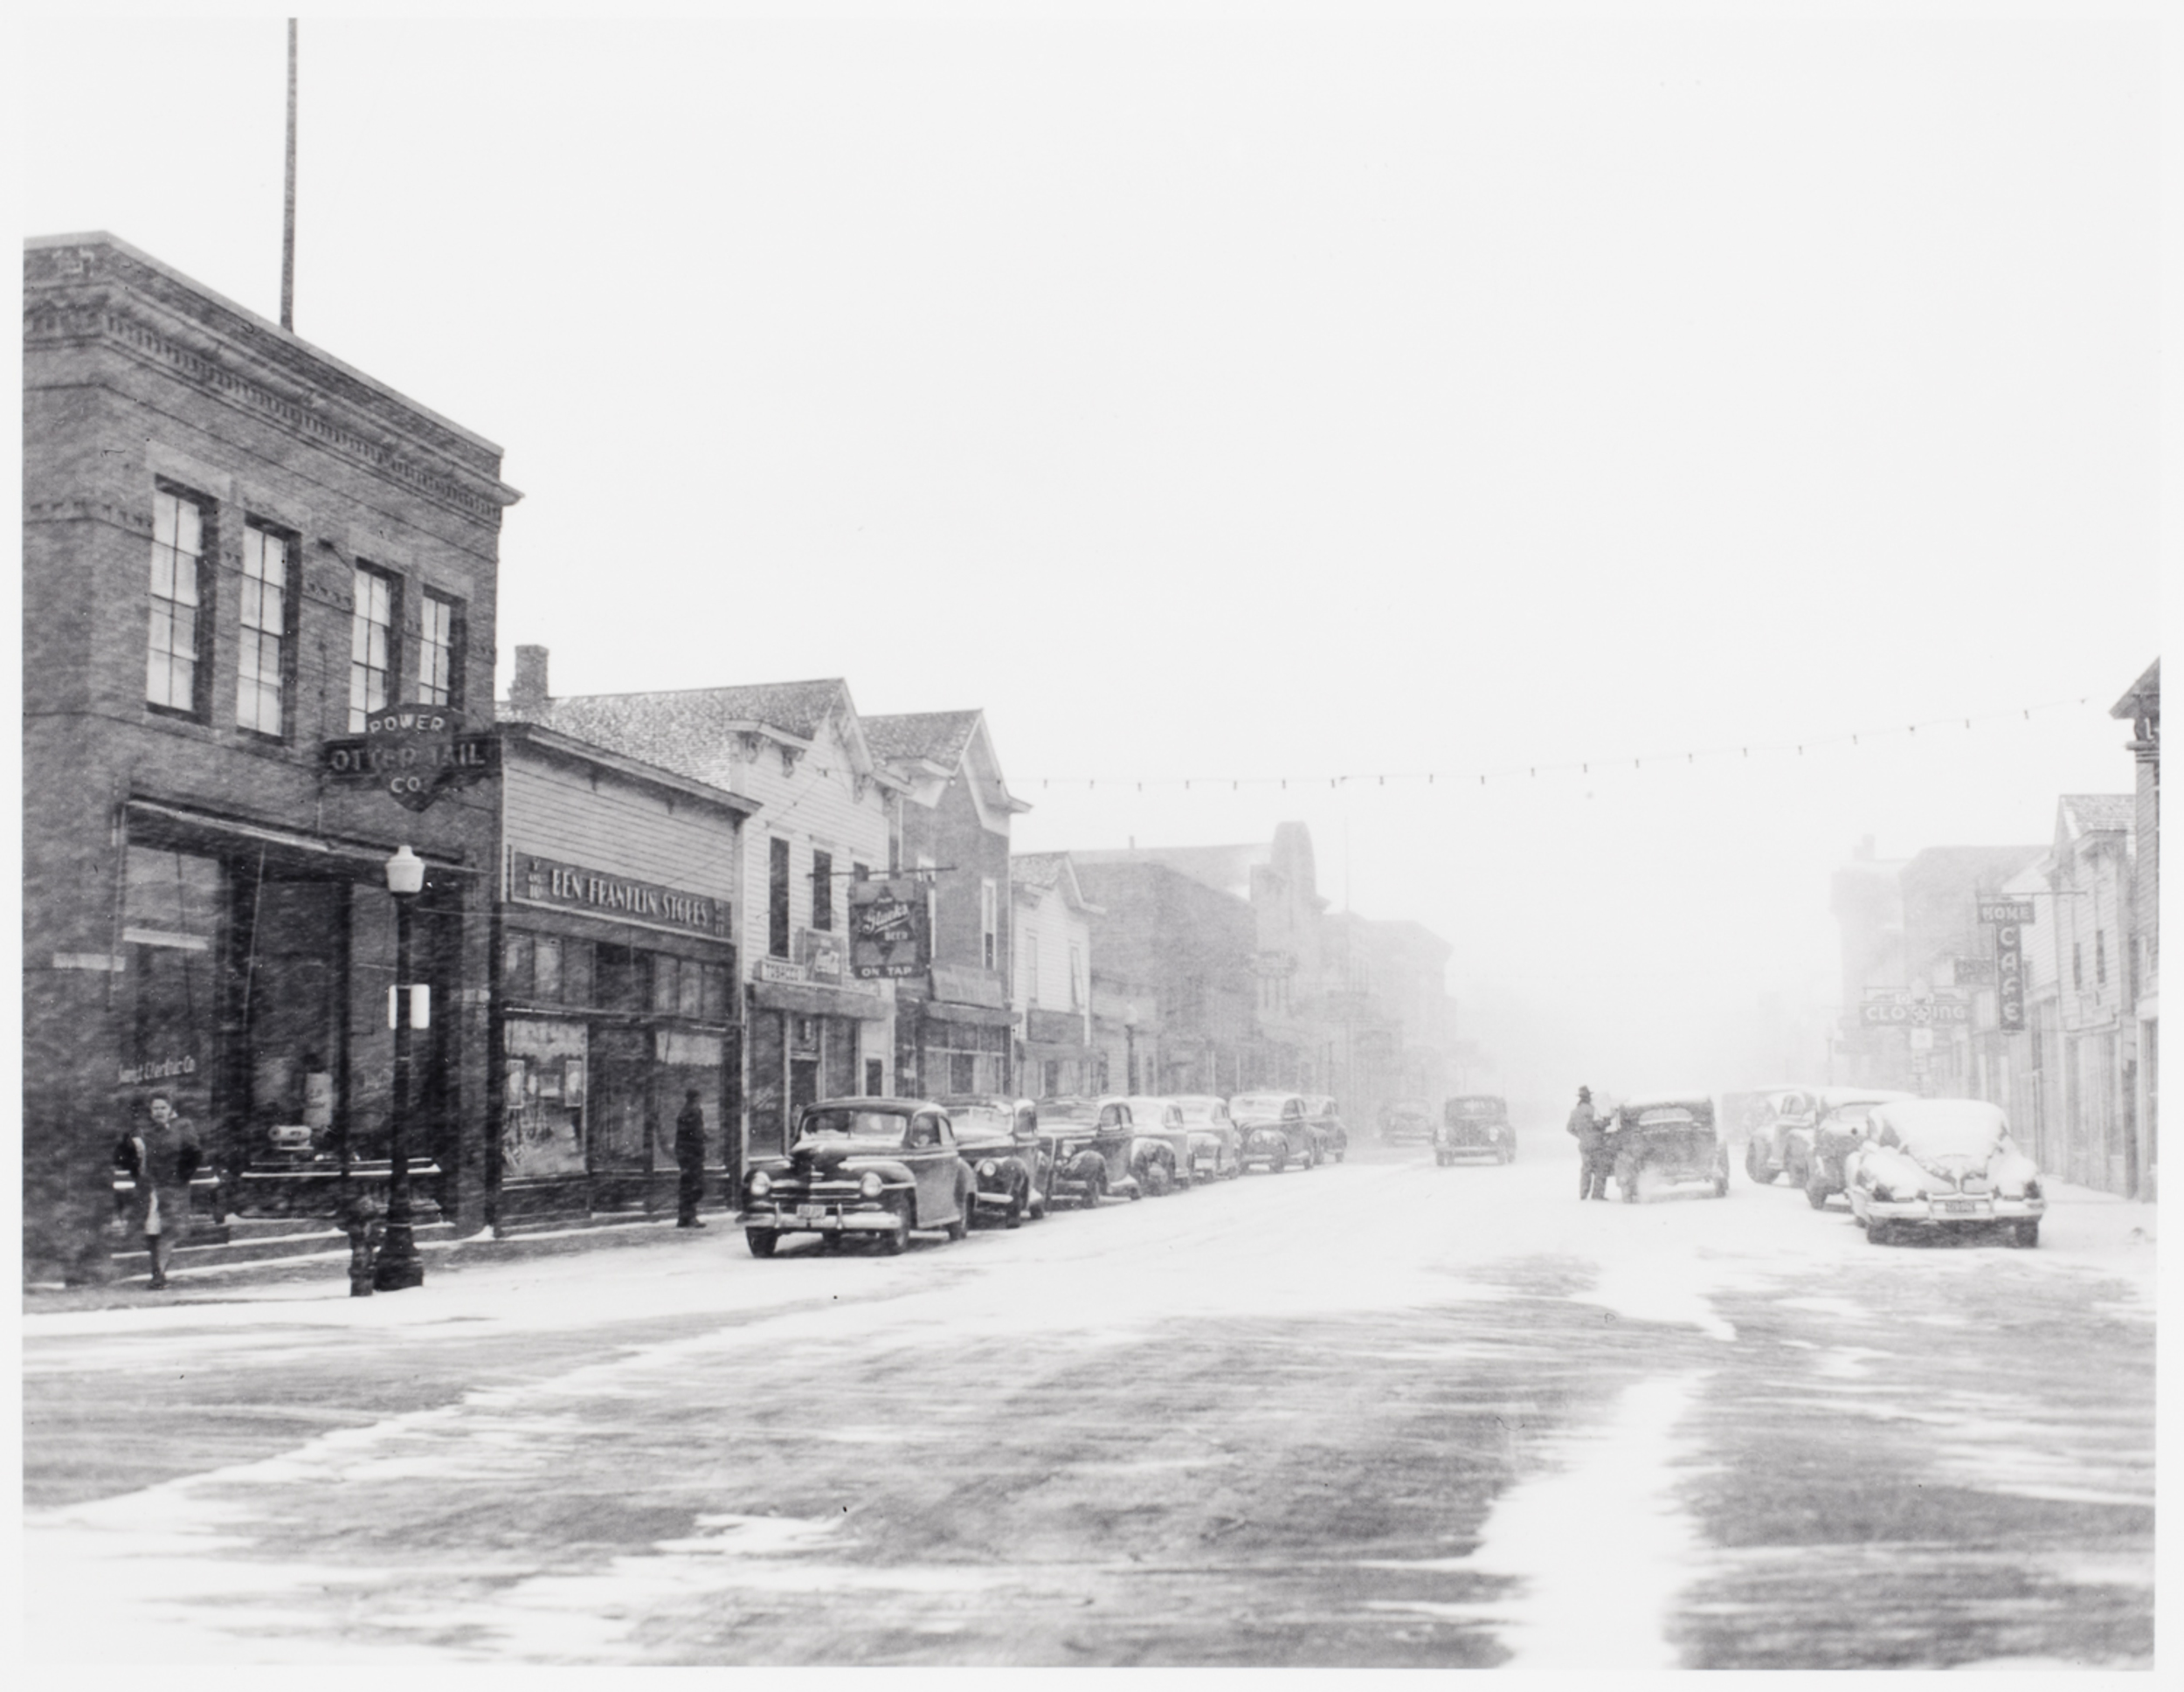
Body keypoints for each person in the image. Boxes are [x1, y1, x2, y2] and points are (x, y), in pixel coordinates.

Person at [114, 1092, 202, 1288]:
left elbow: (194, 1153)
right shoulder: (143, 1130)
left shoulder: (183, 1126)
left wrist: (181, 1176)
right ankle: (157, 1271)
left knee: (169, 1230)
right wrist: (136, 1169)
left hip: (173, 1189)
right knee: (151, 1231)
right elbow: (123, 1152)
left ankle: (159, 1273)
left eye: (163, 1108)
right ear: (150, 1110)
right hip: (149, 1188)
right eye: (155, 1108)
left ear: (171, 1109)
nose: (159, 1112)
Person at [1566, 1085, 1609, 1201]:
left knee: (1586, 1169)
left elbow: (1569, 1128)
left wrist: (1580, 1135)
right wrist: (1606, 1122)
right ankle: (1597, 1194)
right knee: (1600, 1169)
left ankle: (1583, 1194)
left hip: (1584, 1144)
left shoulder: (1574, 1112)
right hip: (1597, 1143)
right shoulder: (1593, 1110)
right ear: (1588, 1097)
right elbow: (1599, 1125)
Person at [674, 1089, 708, 1228]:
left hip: (684, 1153)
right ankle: (691, 1217)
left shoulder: (684, 1111)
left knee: (686, 1185)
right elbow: (696, 1134)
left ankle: (683, 1217)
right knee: (695, 1186)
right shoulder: (695, 1112)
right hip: (692, 1154)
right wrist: (703, 1146)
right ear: (696, 1098)